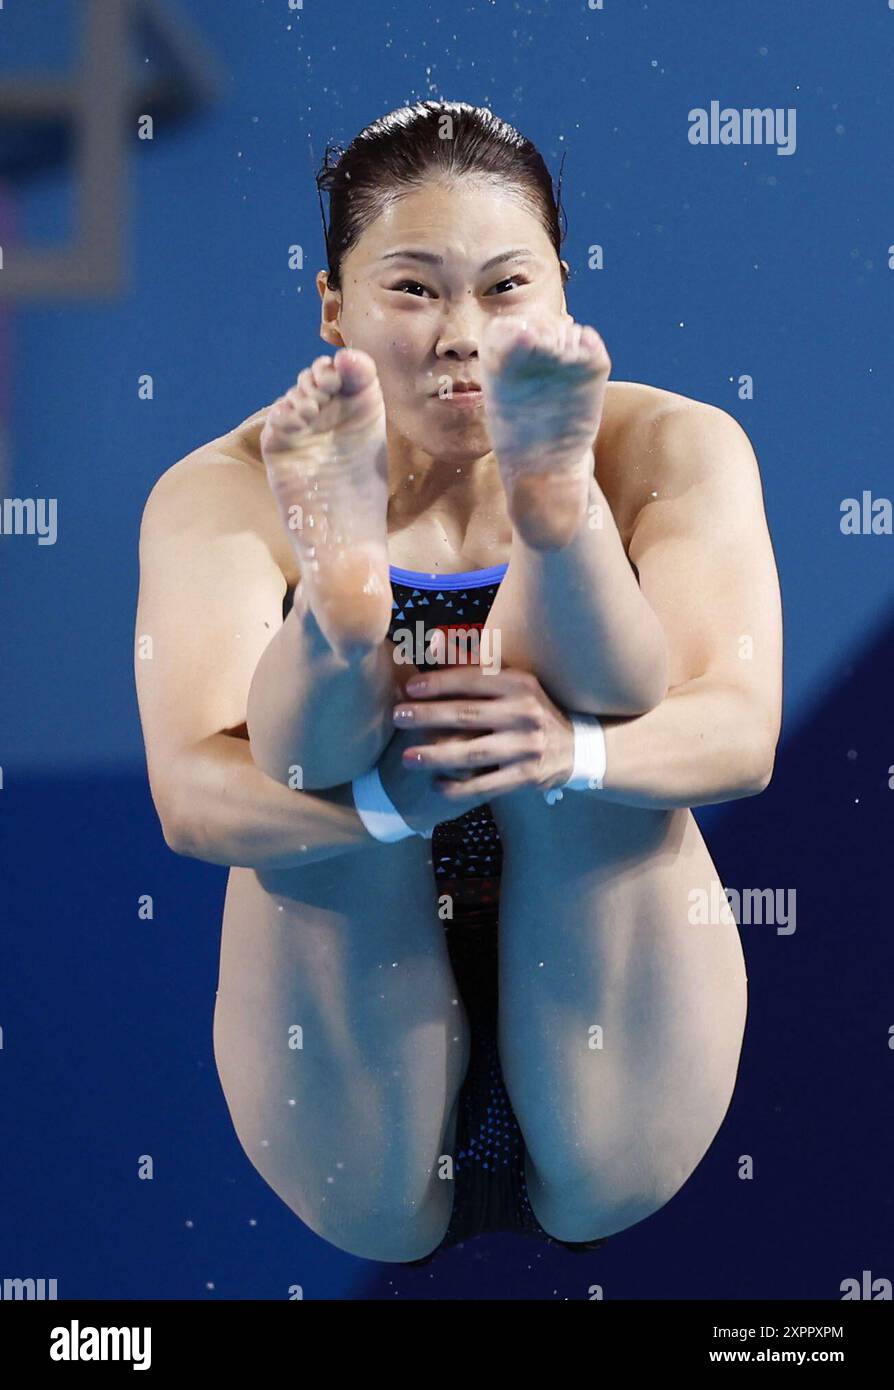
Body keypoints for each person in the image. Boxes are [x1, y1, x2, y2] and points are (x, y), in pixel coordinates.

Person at [134, 100, 783, 1265]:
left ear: (563, 297)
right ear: (332, 306)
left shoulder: (677, 447)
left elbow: (739, 733)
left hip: (620, 1012)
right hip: (347, 1021)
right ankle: (344, 619)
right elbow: (192, 799)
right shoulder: (227, 490)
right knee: (312, 769)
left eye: (504, 287)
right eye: (416, 288)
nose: (462, 333)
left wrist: (568, 756)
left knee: (581, 728)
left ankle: (557, 518)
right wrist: (387, 810)